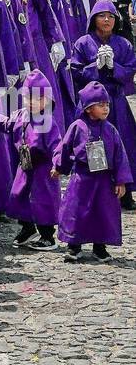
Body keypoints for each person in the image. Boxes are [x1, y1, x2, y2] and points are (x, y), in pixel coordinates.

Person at [53, 82, 133, 261]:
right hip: (82, 178)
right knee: (76, 211)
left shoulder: (111, 130)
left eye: (107, 105)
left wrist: (120, 181)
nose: (106, 108)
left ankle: (100, 247)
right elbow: (65, 148)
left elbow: (120, 156)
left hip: (105, 180)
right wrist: (59, 167)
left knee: (102, 213)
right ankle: (74, 246)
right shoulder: (77, 127)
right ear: (88, 108)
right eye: (101, 105)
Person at [69, 0, 136, 210]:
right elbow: (76, 72)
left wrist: (113, 67)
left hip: (115, 101)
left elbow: (130, 70)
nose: (107, 20)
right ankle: (91, 194)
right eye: (102, 16)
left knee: (123, 145)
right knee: (91, 146)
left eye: (111, 16)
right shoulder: (83, 43)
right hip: (90, 105)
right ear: (93, 19)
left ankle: (125, 192)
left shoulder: (123, 44)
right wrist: (95, 67)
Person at [5, 70, 61, 250]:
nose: (32, 102)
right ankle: (28, 228)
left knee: (42, 201)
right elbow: (6, 124)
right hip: (25, 166)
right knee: (18, 196)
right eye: (28, 98)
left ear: (47, 100)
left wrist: (57, 164)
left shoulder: (48, 122)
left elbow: (56, 146)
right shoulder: (21, 115)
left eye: (38, 98)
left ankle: (47, 236)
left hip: (43, 169)